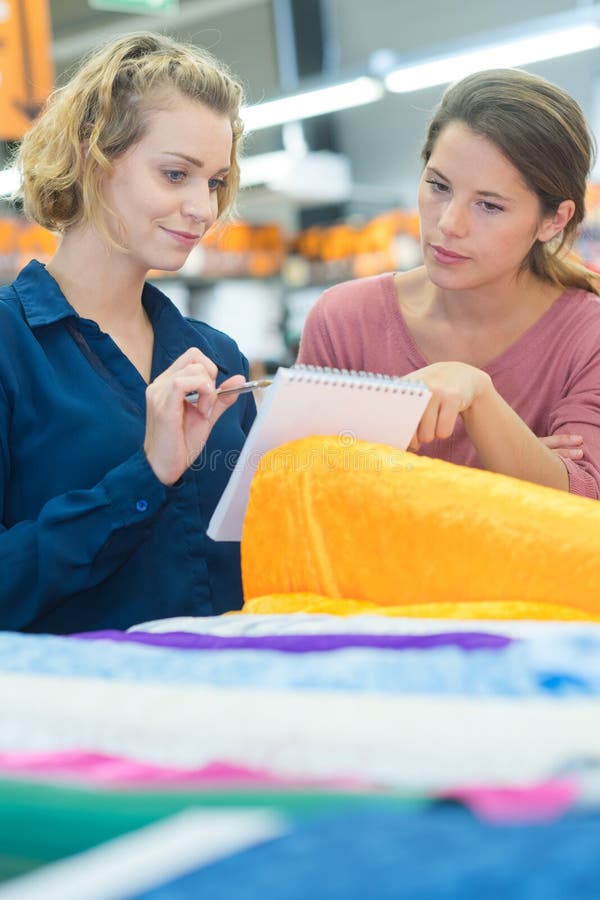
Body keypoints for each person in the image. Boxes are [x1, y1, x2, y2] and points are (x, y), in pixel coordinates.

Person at [0, 32, 256, 633]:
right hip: (66, 714)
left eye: (215, 182)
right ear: (93, 155)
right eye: (175, 174)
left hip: (221, 705)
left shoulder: (215, 357)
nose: (203, 208)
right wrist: (145, 474)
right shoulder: (10, 347)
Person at [298, 68, 600, 498]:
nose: (449, 223)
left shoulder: (588, 336)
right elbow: (310, 491)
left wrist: (478, 396)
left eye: (490, 206)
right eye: (438, 186)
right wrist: (517, 465)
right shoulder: (343, 320)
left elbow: (584, 506)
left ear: (554, 220)